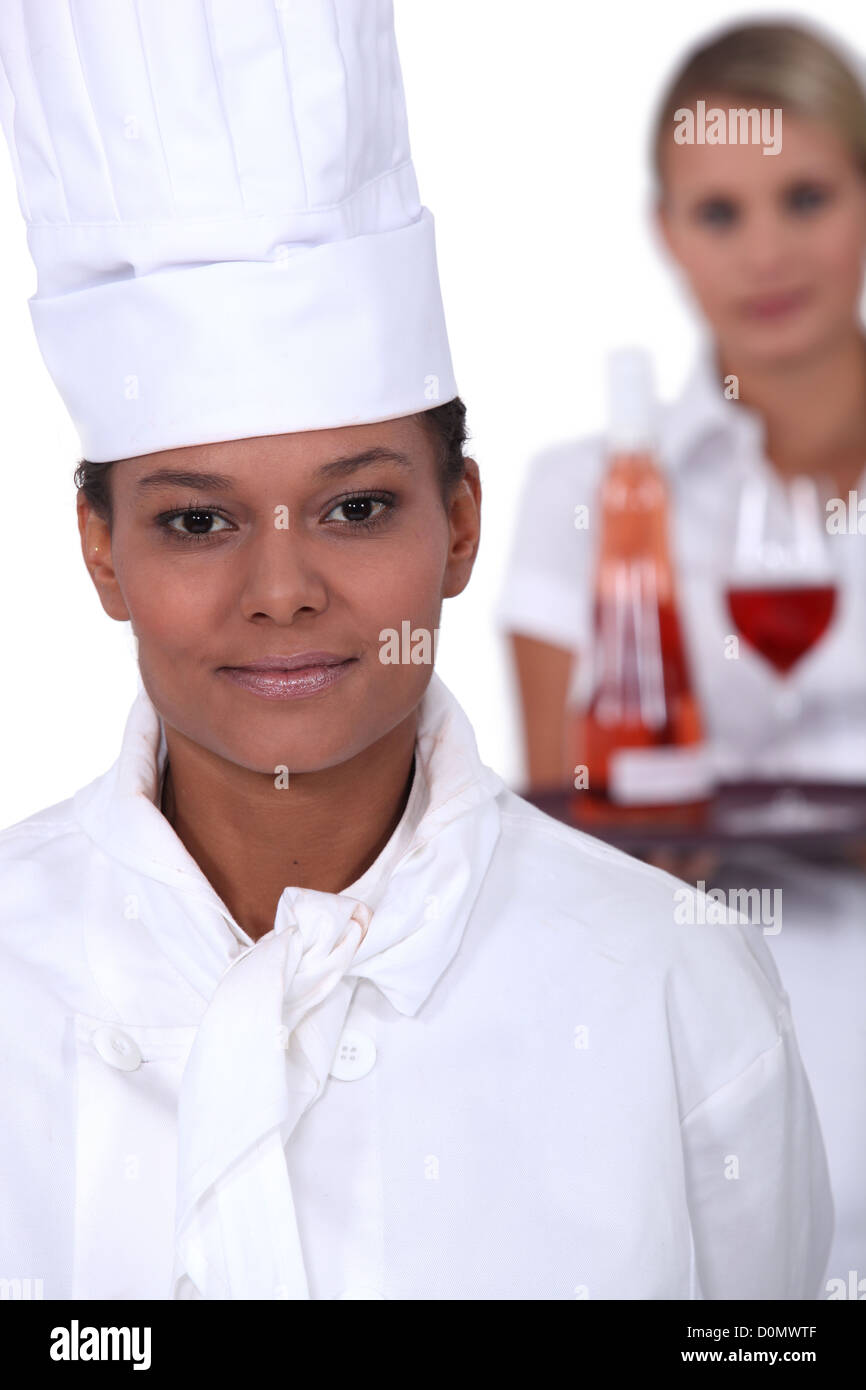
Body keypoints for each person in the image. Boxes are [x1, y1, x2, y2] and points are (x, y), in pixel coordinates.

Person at [0, 1, 832, 1301]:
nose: (280, 590)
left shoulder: (673, 976)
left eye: (354, 505)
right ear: (101, 552)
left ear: (458, 523)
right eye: (196, 518)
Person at [495, 18, 866, 1290]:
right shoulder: (586, 494)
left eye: (804, 197)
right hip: (691, 1082)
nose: (763, 253)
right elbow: (568, 839)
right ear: (664, 232)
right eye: (718, 213)